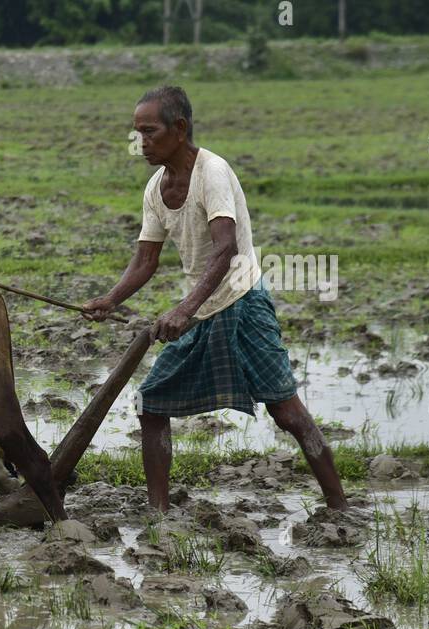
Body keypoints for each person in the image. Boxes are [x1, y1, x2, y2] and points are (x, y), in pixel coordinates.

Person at [83, 86, 347, 512]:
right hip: (203, 309)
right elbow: (146, 259)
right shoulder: (155, 189)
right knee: (151, 403)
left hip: (243, 302)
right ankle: (158, 513)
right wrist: (110, 300)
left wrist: (183, 310)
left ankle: (338, 505)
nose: (141, 142)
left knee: (289, 415)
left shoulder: (213, 173)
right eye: (137, 133)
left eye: (149, 132)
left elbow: (226, 250)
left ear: (180, 128)